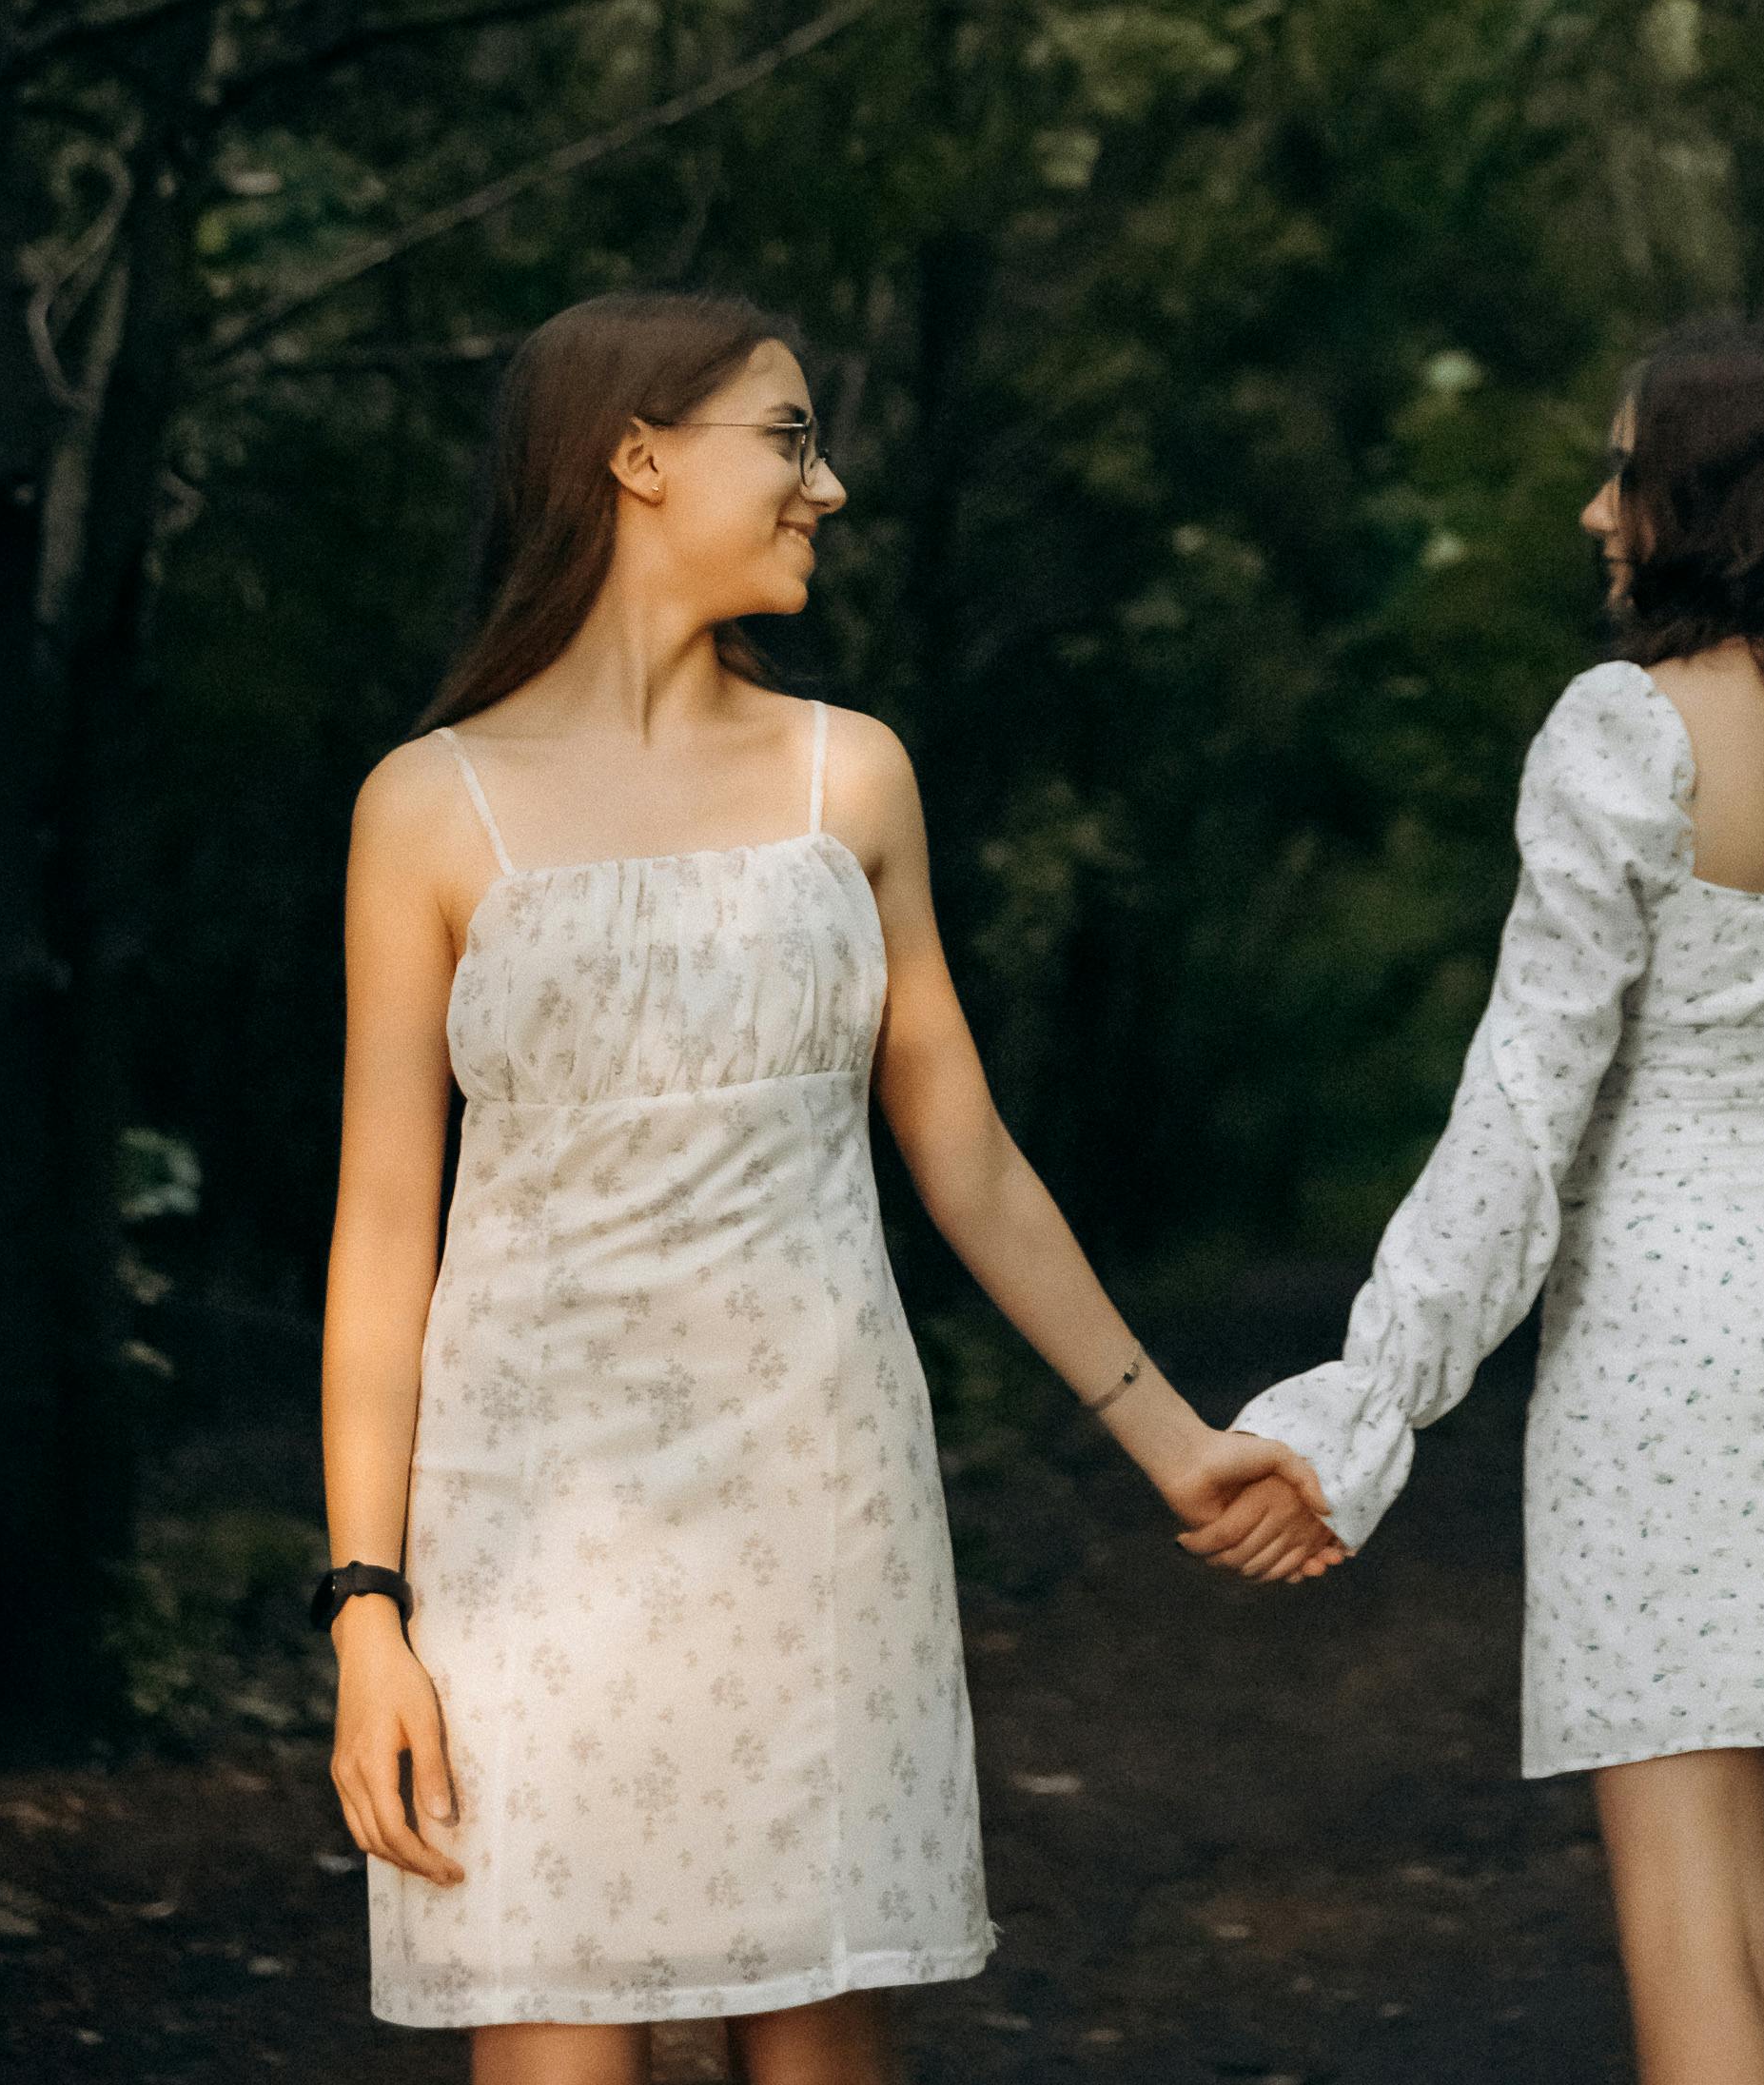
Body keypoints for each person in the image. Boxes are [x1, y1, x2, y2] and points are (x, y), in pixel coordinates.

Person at [319, 287, 1336, 2081]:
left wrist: (1177, 1441)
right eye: (789, 438)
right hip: (527, 1542)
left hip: (813, 1506)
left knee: (813, 2044)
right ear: (638, 456)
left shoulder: (848, 775)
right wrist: (367, 1609)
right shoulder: (424, 807)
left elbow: (969, 1157)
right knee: (549, 2039)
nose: (830, 486)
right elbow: (383, 1239)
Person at [1213, 312, 1764, 2085]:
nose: (1600, 515)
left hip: (1680, 1338)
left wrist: (1366, 1405)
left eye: (1630, 472)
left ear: (1729, 499)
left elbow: (1527, 1109)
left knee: (1706, 1946)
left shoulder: (1630, 730)